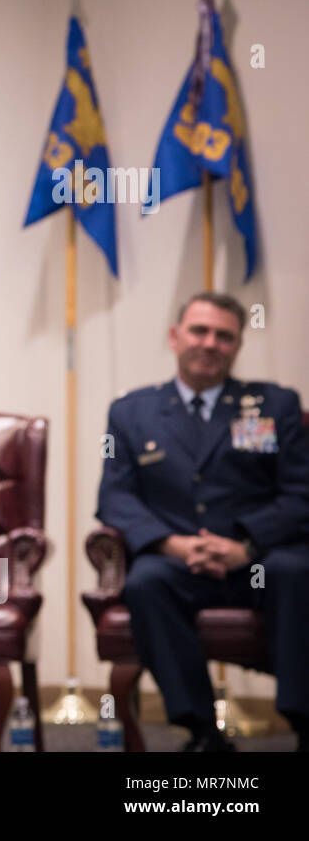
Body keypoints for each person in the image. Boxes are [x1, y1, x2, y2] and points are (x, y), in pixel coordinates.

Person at [96, 291, 309, 752]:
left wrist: (246, 547)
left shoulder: (275, 405)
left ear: (237, 346)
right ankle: (201, 731)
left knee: (295, 571)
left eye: (224, 336)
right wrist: (172, 545)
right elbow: (114, 495)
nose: (210, 343)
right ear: (175, 337)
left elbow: (300, 494)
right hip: (179, 561)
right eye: (199, 330)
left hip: (259, 561)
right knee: (145, 582)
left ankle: (302, 718)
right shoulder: (130, 412)